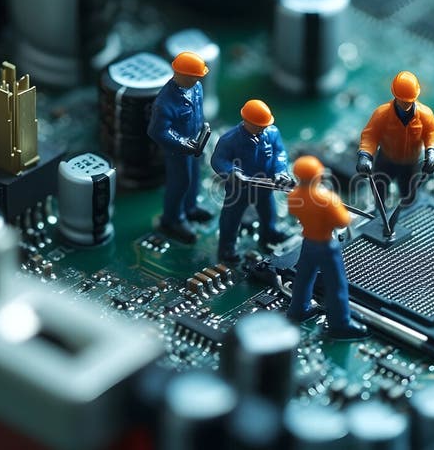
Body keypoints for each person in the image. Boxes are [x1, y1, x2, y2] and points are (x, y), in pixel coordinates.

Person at [285, 156, 367, 340]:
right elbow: (343, 221)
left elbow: (293, 213)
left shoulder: (294, 196)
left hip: (307, 242)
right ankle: (340, 324)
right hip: (326, 245)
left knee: (303, 279)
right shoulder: (327, 199)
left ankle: (298, 310)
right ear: (318, 176)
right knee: (336, 285)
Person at [211, 99, 291, 264]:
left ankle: (269, 234)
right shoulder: (230, 139)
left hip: (265, 185)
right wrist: (232, 173)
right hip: (239, 189)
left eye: (265, 125)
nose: (263, 128)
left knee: (269, 212)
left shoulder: (272, 133)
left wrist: (280, 172)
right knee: (231, 218)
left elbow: (280, 153)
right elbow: (218, 160)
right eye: (259, 125)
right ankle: (227, 248)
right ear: (246, 121)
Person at [147, 51, 213, 244]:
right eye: (195, 76)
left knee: (195, 177)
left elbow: (198, 111)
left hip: (195, 144)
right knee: (180, 183)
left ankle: (190, 208)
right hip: (177, 151)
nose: (198, 80)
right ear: (182, 75)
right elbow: (157, 131)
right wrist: (181, 142)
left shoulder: (196, 87)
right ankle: (173, 219)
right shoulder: (165, 102)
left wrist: (202, 132)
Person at [356, 70, 434, 207]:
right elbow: (370, 136)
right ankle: (379, 210)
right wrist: (365, 156)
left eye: (409, 101)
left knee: (408, 194)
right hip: (386, 161)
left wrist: (433, 152)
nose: (406, 104)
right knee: (379, 190)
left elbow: (433, 133)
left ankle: (408, 213)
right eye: (403, 100)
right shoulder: (382, 114)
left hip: (410, 163)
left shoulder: (425, 114)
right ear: (395, 96)